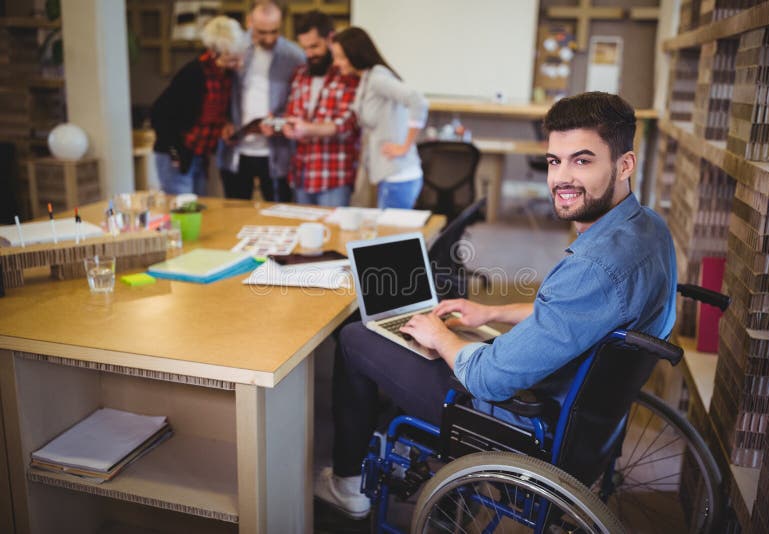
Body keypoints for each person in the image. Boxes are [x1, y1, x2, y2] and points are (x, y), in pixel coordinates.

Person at [315, 92, 678, 519]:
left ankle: (348, 485)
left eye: (582, 161)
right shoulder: (648, 228)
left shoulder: (596, 266)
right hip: (581, 416)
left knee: (358, 336)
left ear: (624, 164)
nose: (561, 179)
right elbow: (581, 315)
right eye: (554, 161)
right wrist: (491, 313)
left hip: (526, 421)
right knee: (417, 341)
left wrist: (442, 336)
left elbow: (488, 379)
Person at [331, 27, 428, 209]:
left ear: (356, 54)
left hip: (398, 175)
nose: (336, 63)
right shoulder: (366, 78)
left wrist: (405, 146)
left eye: (341, 57)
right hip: (387, 174)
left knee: (393, 237)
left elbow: (418, 101)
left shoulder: (378, 78)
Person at [217, 1, 305, 202]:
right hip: (236, 150)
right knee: (236, 215)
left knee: (278, 217)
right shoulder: (233, 50)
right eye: (262, 32)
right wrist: (223, 122)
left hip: (276, 152)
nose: (269, 38)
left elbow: (300, 102)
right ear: (249, 22)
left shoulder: (294, 56)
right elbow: (217, 91)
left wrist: (279, 122)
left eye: (274, 31)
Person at [151, 16, 246, 195]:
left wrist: (226, 123)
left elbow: (218, 111)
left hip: (199, 154)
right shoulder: (193, 74)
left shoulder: (227, 75)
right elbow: (159, 113)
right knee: (183, 211)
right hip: (177, 154)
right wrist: (174, 152)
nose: (239, 64)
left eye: (239, 58)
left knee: (200, 210)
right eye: (232, 60)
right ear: (213, 53)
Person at [281, 11, 360, 207]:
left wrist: (307, 129)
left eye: (315, 46)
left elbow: (347, 123)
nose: (309, 54)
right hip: (301, 175)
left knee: (334, 237)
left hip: (334, 177)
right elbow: (291, 115)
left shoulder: (347, 75)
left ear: (330, 38)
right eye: (305, 48)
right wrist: (284, 126)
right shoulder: (300, 74)